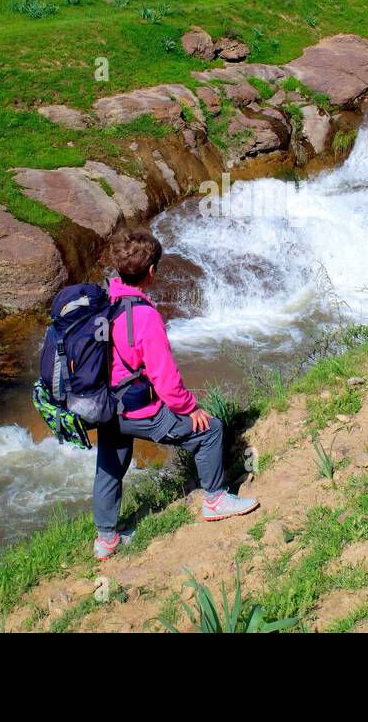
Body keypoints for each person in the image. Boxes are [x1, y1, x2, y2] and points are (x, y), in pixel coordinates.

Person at [92, 227, 258, 561]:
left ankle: (105, 539)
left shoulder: (102, 300)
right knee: (210, 431)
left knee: (110, 465)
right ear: (151, 273)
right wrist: (190, 408)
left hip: (103, 407)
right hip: (138, 410)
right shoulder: (144, 317)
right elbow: (165, 380)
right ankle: (214, 500)